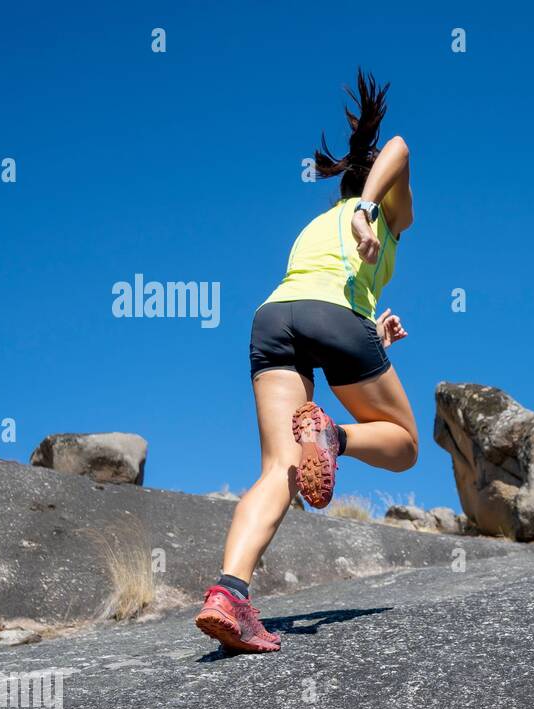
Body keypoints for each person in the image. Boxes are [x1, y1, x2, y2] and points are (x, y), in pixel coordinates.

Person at [195, 69, 416, 653]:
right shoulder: (385, 219)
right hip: (332, 320)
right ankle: (335, 437)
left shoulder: (319, 223)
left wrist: (374, 336)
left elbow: (325, 296)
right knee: (403, 441)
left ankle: (229, 594)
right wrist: (372, 210)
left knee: (279, 470)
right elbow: (400, 147)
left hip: (275, 318)